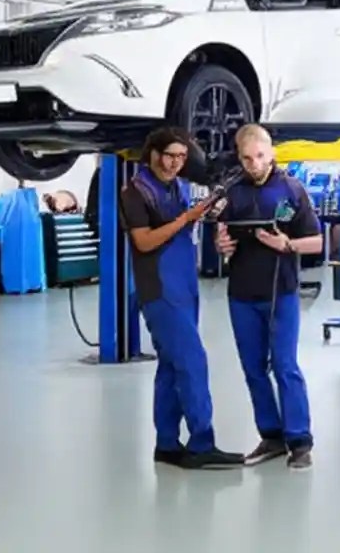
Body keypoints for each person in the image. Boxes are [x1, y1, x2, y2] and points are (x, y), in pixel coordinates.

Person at [119, 127, 245, 470]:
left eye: (181, 157)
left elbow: (179, 228)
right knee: (192, 361)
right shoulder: (135, 192)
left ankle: (167, 443)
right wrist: (186, 218)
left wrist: (203, 214)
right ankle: (202, 442)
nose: (175, 163)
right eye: (170, 155)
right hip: (160, 290)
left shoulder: (175, 187)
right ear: (153, 153)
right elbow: (144, 242)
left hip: (184, 287)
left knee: (171, 367)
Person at [215, 124, 323, 470]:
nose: (254, 164)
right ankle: (271, 435)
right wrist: (222, 245)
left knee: (285, 365)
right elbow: (223, 238)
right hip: (242, 294)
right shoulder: (233, 193)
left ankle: (300, 440)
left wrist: (288, 244)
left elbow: (319, 242)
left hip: (281, 293)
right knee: (253, 369)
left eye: (260, 156)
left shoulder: (291, 190)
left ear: (271, 152)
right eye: (247, 158)